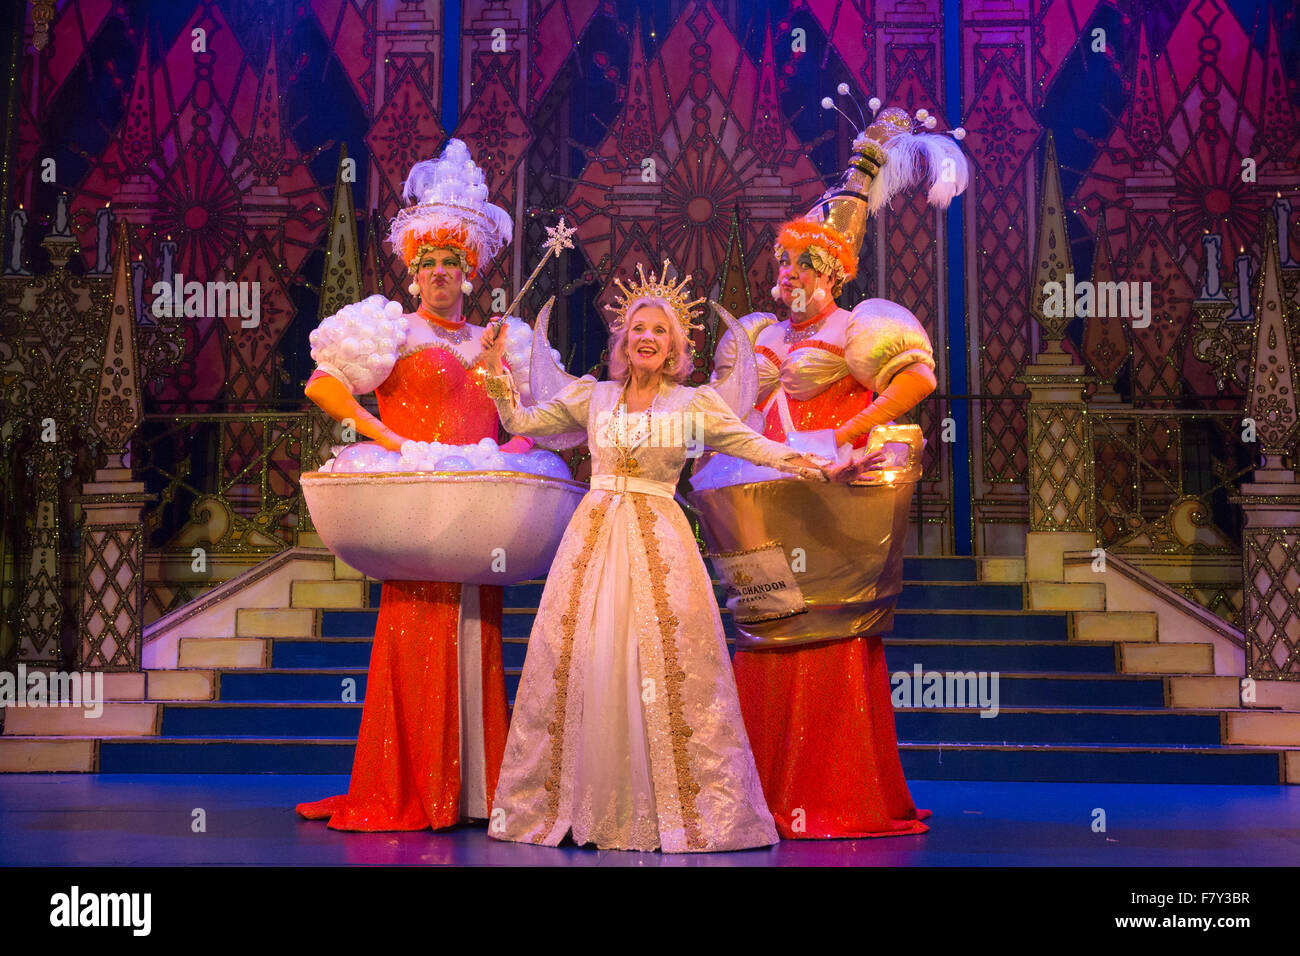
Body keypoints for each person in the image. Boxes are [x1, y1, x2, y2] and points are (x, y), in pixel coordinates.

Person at [474, 262, 842, 852]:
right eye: (636, 327)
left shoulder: (693, 404)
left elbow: (751, 443)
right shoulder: (591, 397)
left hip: (660, 541)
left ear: (675, 345)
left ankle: (666, 805)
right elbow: (521, 422)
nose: (646, 337)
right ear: (622, 339)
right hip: (592, 541)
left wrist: (818, 462)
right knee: (586, 655)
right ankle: (574, 799)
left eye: (660, 330)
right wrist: (494, 368)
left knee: (663, 661)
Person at [724, 105, 966, 839]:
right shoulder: (762, 332)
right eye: (788, 262)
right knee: (768, 630)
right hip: (765, 495)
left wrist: (848, 432)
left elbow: (916, 381)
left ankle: (829, 788)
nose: (792, 274)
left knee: (827, 632)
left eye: (809, 265)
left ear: (834, 273)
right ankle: (761, 788)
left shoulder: (857, 326)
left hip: (831, 498)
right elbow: (732, 404)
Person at [296, 139, 533, 831]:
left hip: (477, 504)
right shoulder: (391, 332)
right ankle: (409, 784)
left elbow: (531, 419)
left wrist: (508, 445)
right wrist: (393, 441)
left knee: (476, 630)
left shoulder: (499, 339)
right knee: (415, 627)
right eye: (428, 264)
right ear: (412, 271)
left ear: (470, 271)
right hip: (416, 500)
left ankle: (476, 792)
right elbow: (323, 385)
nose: (439, 275)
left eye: (451, 264)